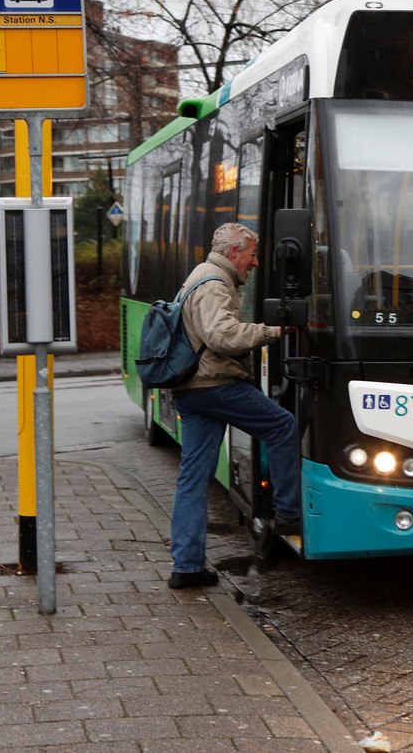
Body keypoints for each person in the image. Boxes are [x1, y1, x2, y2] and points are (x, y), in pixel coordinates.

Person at [167, 222, 300, 588]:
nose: (255, 263)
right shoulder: (213, 282)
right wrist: (271, 332)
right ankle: (289, 513)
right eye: (253, 254)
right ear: (234, 253)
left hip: (192, 390)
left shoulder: (199, 275)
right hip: (215, 385)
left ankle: (187, 567)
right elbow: (222, 336)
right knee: (281, 425)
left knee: (193, 480)